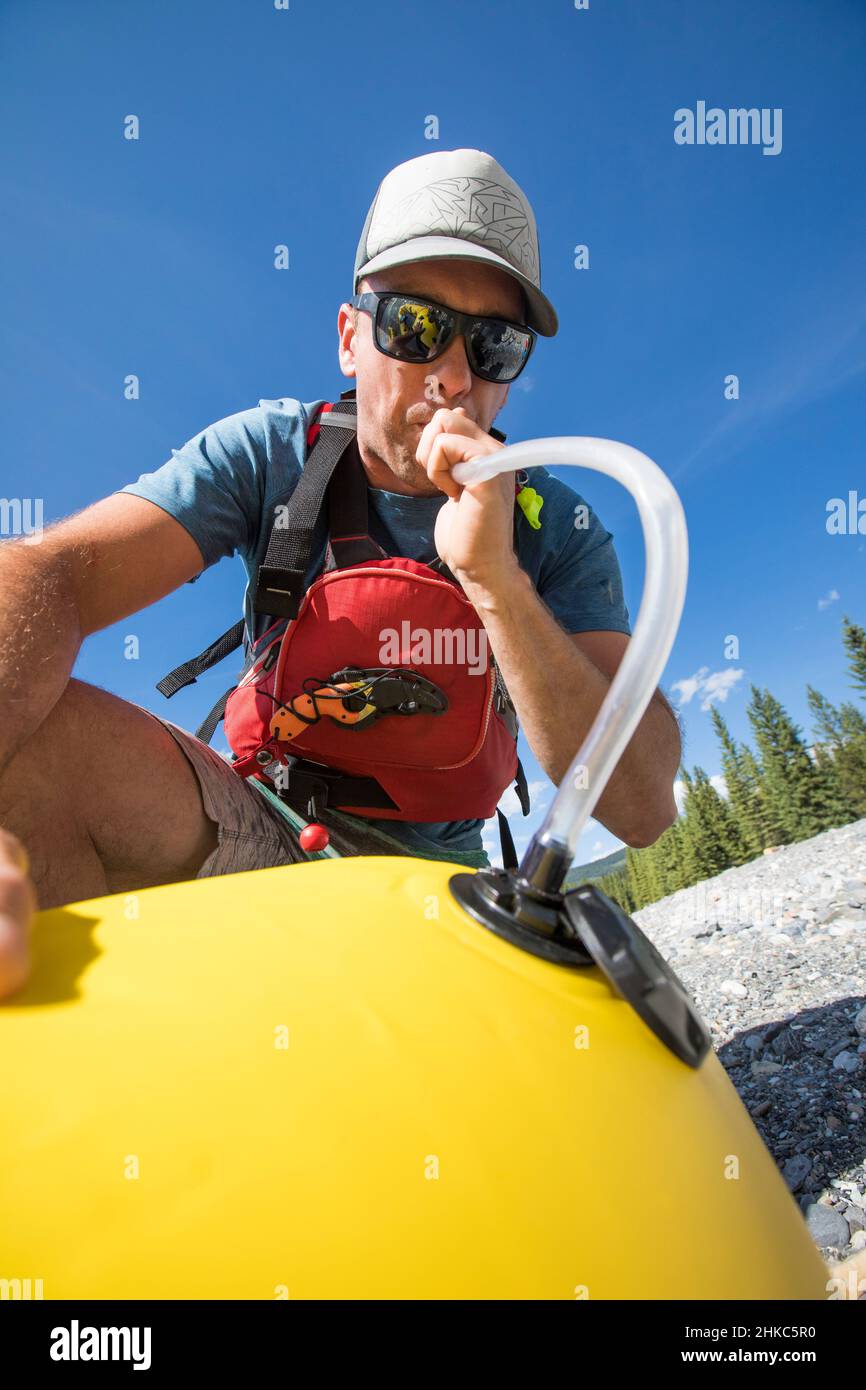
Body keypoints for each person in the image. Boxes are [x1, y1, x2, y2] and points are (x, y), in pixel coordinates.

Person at [0, 148, 681, 999]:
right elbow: (50, 575)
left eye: (494, 345)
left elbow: (644, 807)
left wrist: (498, 582)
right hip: (270, 838)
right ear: (351, 338)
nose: (455, 376)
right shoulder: (270, 453)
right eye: (415, 326)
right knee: (41, 739)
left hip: (446, 889)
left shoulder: (557, 526)